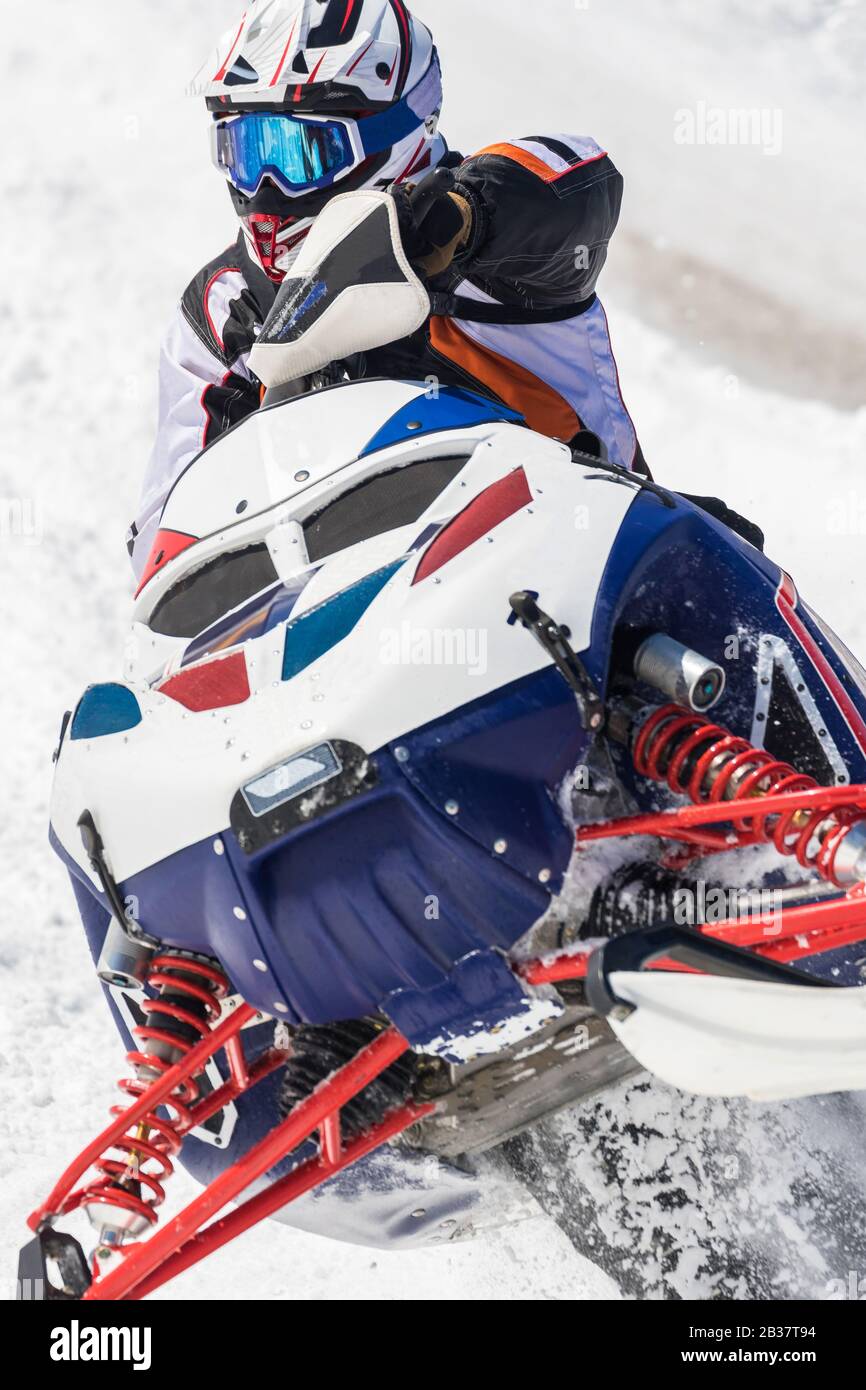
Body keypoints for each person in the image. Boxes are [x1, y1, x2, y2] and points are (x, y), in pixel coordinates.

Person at [130, 0, 644, 580]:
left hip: (585, 562)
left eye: (301, 154)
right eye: (247, 152)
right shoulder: (225, 306)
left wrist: (462, 216)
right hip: (356, 616)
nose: (267, 187)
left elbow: (575, 175)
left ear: (402, 132)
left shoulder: (492, 247)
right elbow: (165, 537)